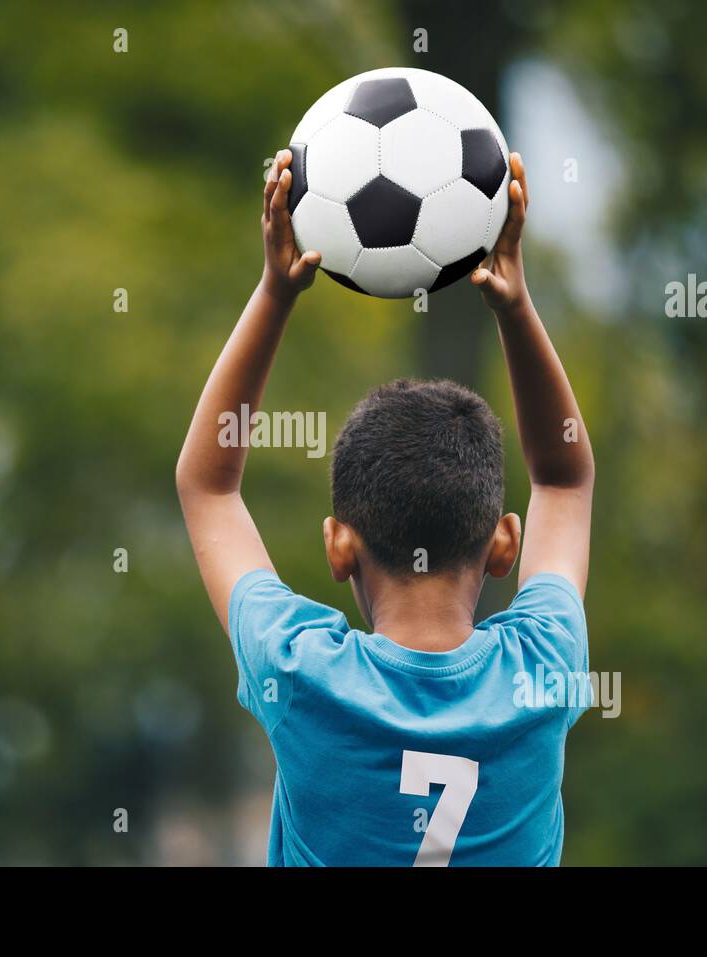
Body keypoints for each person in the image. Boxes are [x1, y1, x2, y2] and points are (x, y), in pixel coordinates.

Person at [175, 148, 594, 865]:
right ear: (503, 543)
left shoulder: (301, 671)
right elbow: (563, 477)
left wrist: (276, 291)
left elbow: (207, 485)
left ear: (339, 546)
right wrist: (517, 307)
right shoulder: (543, 668)